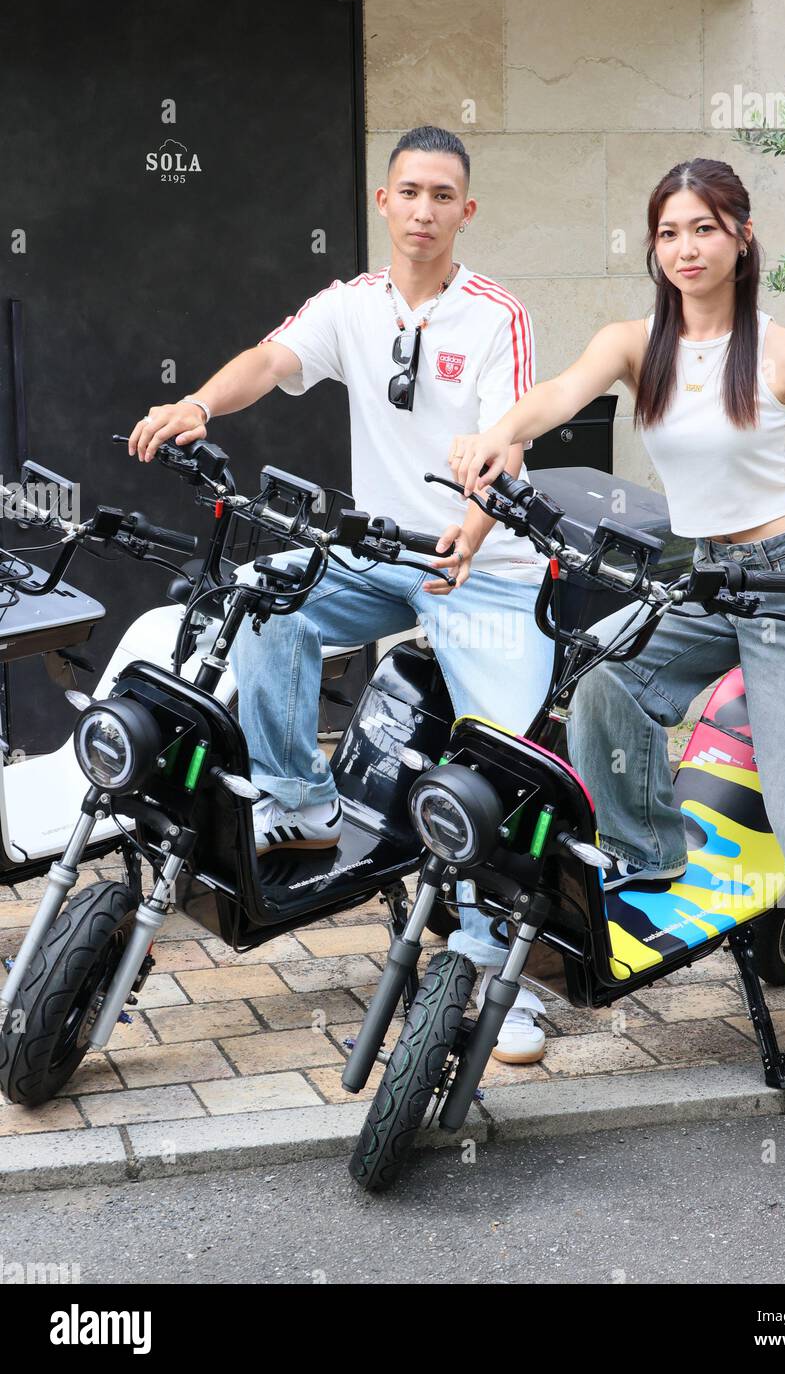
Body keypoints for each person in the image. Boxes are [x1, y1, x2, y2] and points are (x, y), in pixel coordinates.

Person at [447, 156, 785, 1086]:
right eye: (667, 232)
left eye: (703, 228)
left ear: (739, 237)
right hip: (698, 575)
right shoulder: (633, 342)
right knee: (603, 687)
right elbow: (555, 396)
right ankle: (649, 852)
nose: (684, 248)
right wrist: (503, 435)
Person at [127, 125, 554, 1065]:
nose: (423, 210)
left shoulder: (495, 315)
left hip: (485, 569)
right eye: (408, 192)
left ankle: (492, 971)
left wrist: (474, 530)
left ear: (465, 211)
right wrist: (199, 403)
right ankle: (299, 793)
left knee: (494, 764)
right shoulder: (351, 304)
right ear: (383, 202)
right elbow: (272, 362)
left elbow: (508, 442)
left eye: (443, 195)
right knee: (265, 588)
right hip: (386, 554)